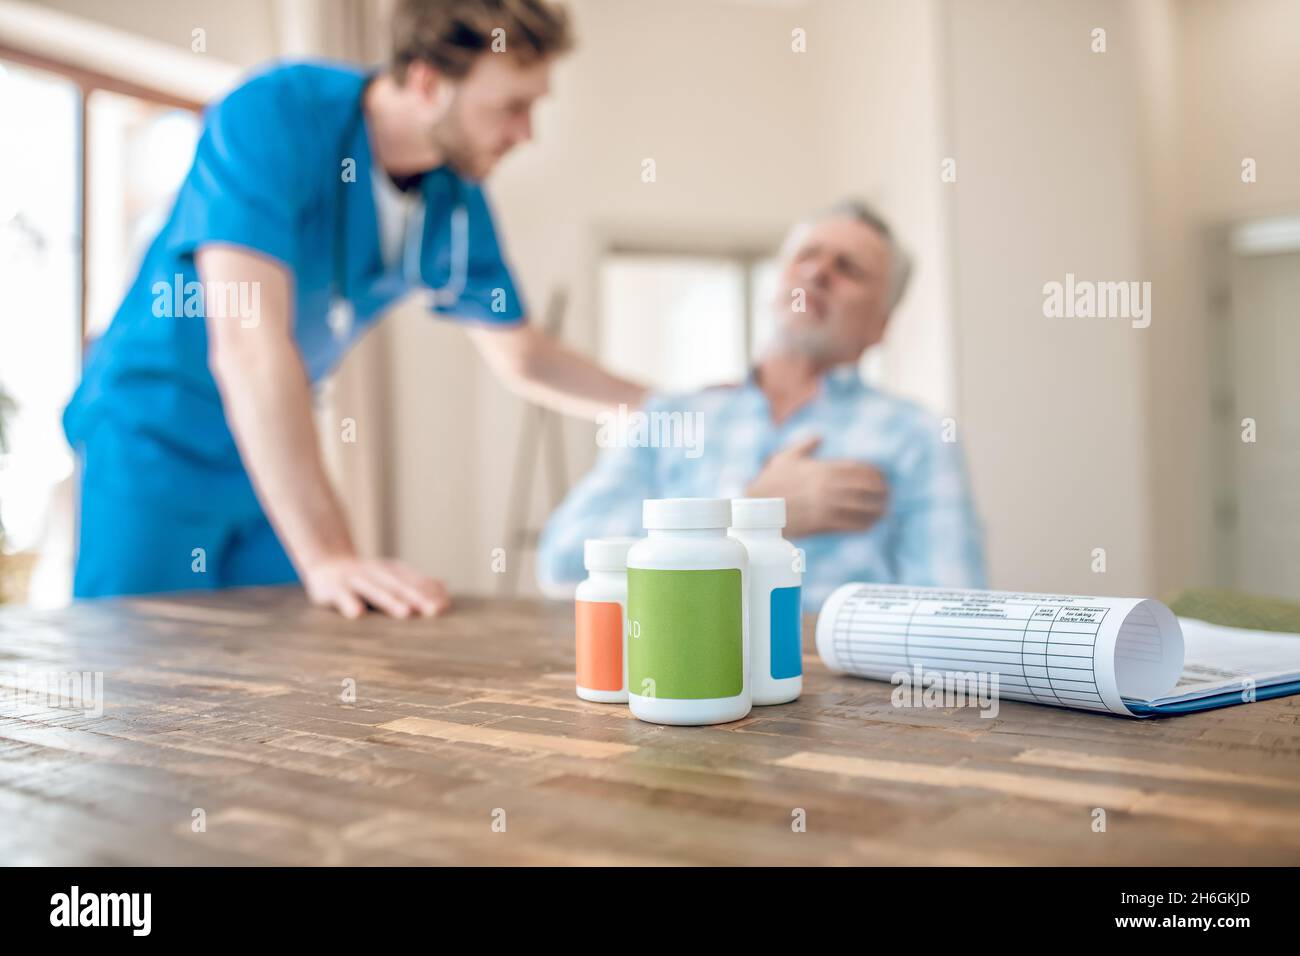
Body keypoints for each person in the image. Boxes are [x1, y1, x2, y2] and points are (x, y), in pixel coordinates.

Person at [63, 0, 645, 618]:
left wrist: (666, 406)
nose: (526, 133)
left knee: (282, 670)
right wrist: (329, 556)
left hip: (274, 451)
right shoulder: (274, 115)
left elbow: (526, 356)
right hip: (155, 436)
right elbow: (249, 344)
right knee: (135, 673)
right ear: (426, 81)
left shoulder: (455, 196)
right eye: (512, 106)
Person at [535, 200, 987, 610]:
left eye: (848, 268)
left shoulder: (918, 437)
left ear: (880, 325)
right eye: (807, 255)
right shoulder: (669, 414)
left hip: (840, 692)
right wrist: (750, 510)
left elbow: (954, 617)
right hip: (672, 679)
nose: (818, 272)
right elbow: (564, 560)